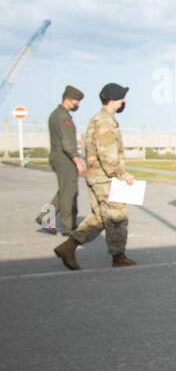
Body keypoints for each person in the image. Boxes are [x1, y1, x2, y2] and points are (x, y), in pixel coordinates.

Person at [54, 83, 136, 270]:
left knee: (99, 218)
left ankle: (68, 247)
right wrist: (123, 175)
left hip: (96, 176)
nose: (124, 101)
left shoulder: (99, 119)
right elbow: (107, 155)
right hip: (105, 178)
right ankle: (119, 257)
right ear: (113, 100)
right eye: (121, 98)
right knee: (117, 216)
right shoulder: (105, 121)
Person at [37, 85, 85, 235]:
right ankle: (67, 227)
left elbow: (64, 139)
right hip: (64, 159)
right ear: (68, 99)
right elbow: (67, 143)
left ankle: (45, 217)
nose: (78, 104)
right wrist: (78, 162)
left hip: (59, 156)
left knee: (65, 190)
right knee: (69, 193)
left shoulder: (56, 114)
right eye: (76, 101)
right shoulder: (63, 117)